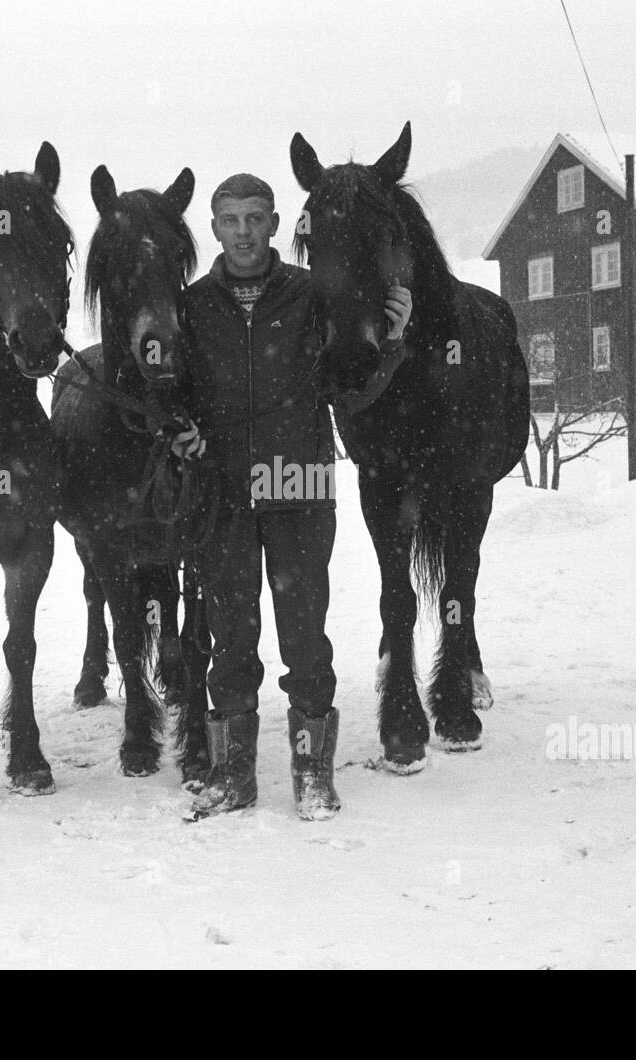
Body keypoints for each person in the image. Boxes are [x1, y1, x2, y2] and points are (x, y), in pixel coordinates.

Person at [173, 172, 410, 821]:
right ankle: (233, 775)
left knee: (305, 640)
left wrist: (389, 343)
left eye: (255, 218)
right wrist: (180, 431)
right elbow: (174, 395)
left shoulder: (313, 296)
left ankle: (312, 775)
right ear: (214, 228)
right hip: (222, 491)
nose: (244, 231)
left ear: (276, 224)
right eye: (230, 219)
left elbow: (353, 391)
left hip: (297, 484)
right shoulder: (191, 309)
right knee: (232, 638)